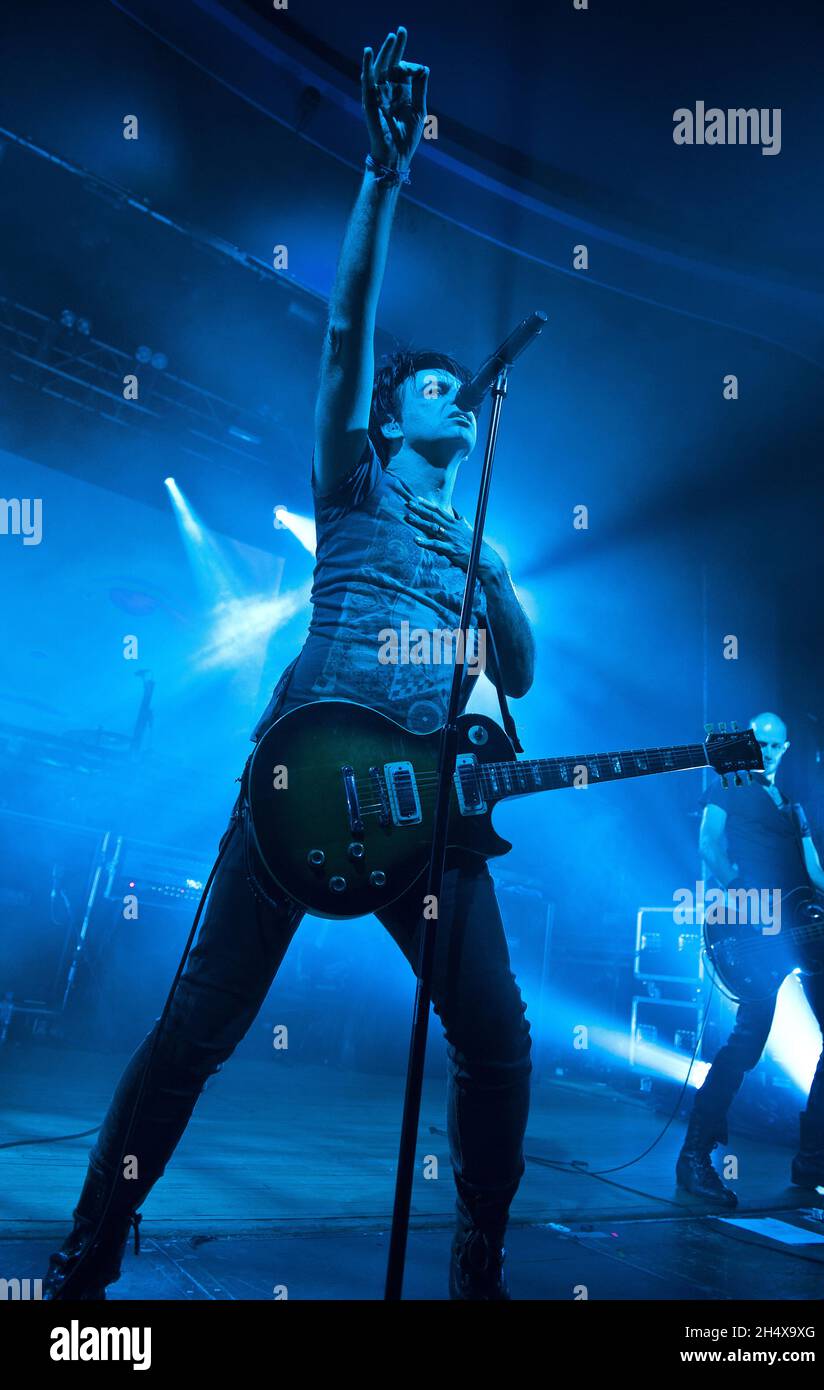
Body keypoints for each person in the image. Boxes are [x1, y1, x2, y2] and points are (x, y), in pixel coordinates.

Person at [44, 26, 535, 1301]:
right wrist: (382, 175)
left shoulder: (477, 547)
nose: (453, 398)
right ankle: (92, 1243)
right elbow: (338, 343)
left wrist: (494, 577)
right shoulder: (357, 486)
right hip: (310, 772)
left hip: (426, 815)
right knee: (197, 1029)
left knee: (496, 1038)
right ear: (393, 418)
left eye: (455, 390)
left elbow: (520, 674)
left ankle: (477, 1250)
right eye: (431, 386)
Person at [676, 711, 824, 1206]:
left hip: (807, 923)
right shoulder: (729, 785)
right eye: (761, 742)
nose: (770, 750)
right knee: (747, 1043)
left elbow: (816, 873)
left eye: (778, 743)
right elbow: (709, 847)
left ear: (787, 746)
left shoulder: (793, 805)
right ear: (747, 744)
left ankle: (816, 1158)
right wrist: (746, 901)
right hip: (756, 927)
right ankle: (694, 1157)